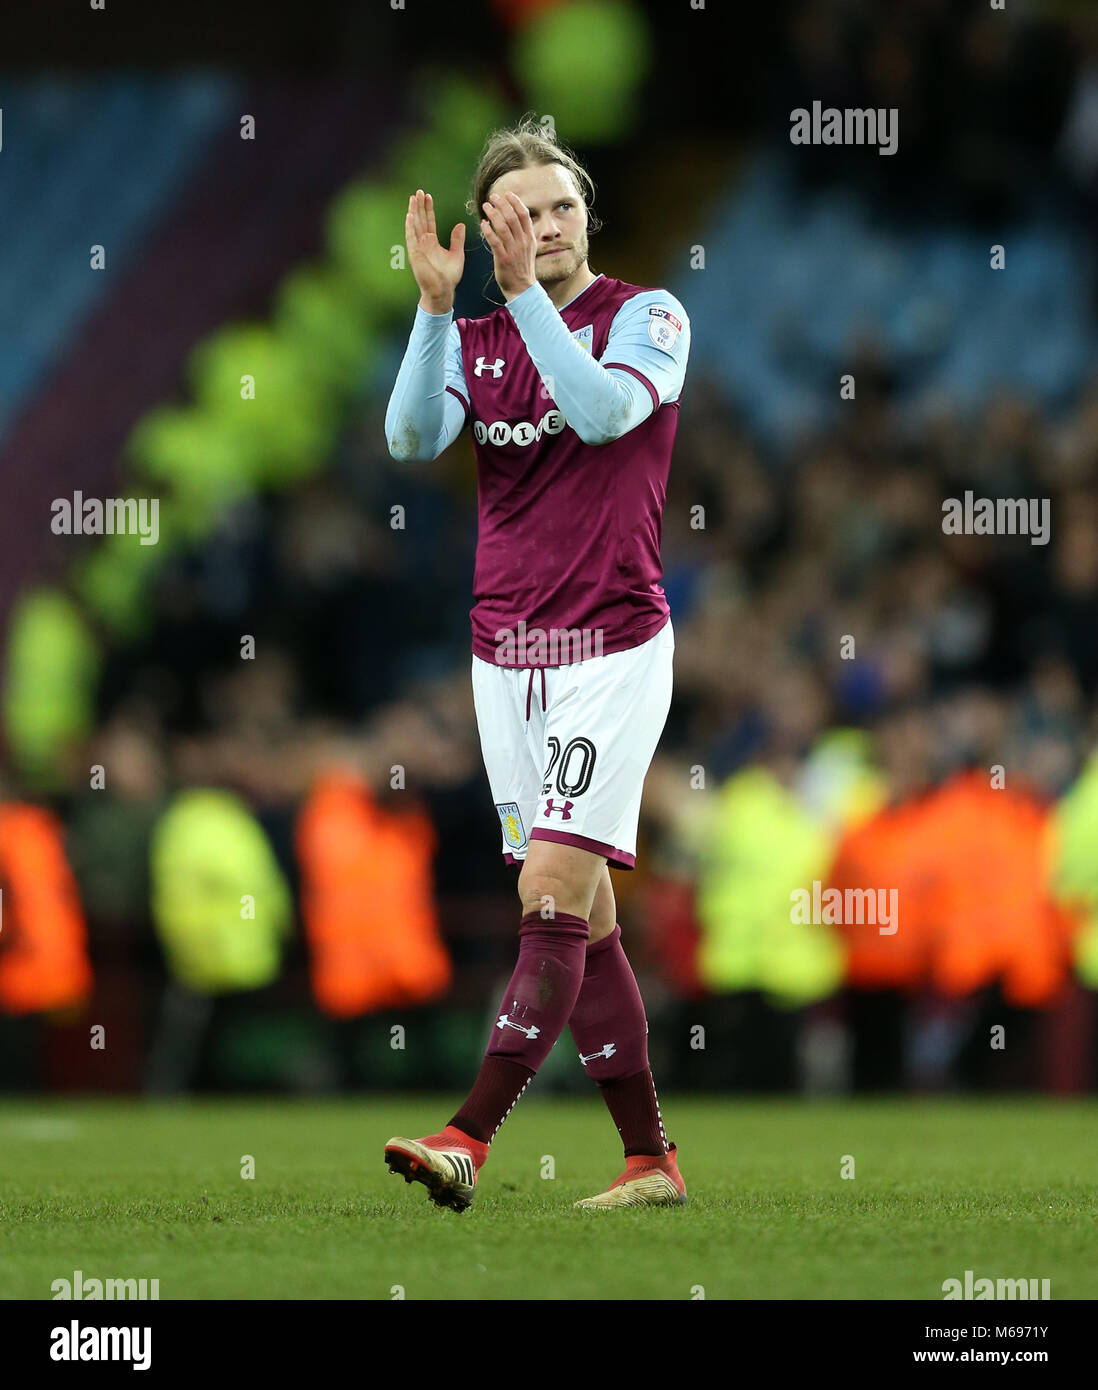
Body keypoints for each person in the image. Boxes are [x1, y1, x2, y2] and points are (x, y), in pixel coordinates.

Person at [383, 117, 691, 1211]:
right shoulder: (475, 339)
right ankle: (651, 1161)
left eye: (562, 206)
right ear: (492, 224)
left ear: (587, 215)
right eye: (524, 212)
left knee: (550, 885)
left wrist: (515, 299)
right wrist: (434, 309)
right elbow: (413, 439)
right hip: (505, 657)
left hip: (610, 644)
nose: (548, 226)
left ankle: (469, 1133)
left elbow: (605, 412)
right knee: (588, 917)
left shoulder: (647, 314)